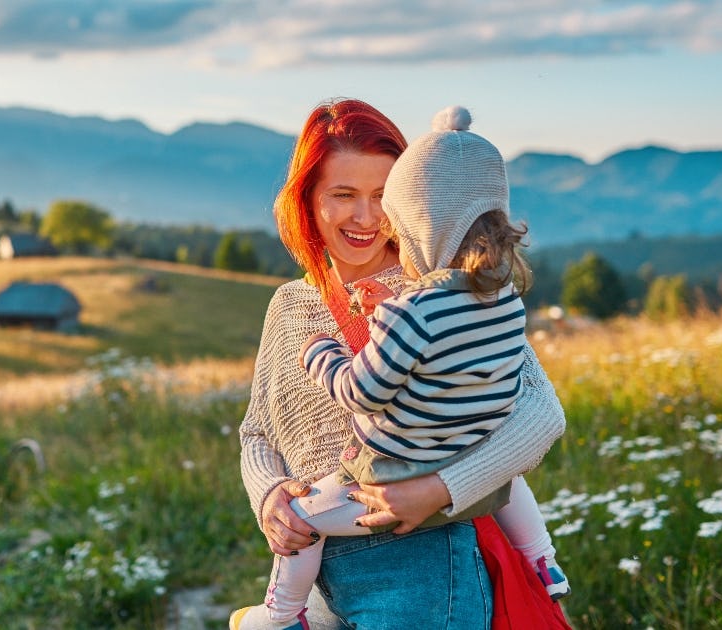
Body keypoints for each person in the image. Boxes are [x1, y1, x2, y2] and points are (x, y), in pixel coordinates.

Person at [234, 98, 568, 630]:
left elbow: (542, 415)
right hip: (319, 575)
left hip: (428, 564)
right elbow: (259, 431)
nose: (367, 218)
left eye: (382, 197)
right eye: (344, 195)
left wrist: (440, 489)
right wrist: (269, 495)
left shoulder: (447, 289)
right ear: (308, 200)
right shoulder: (290, 306)